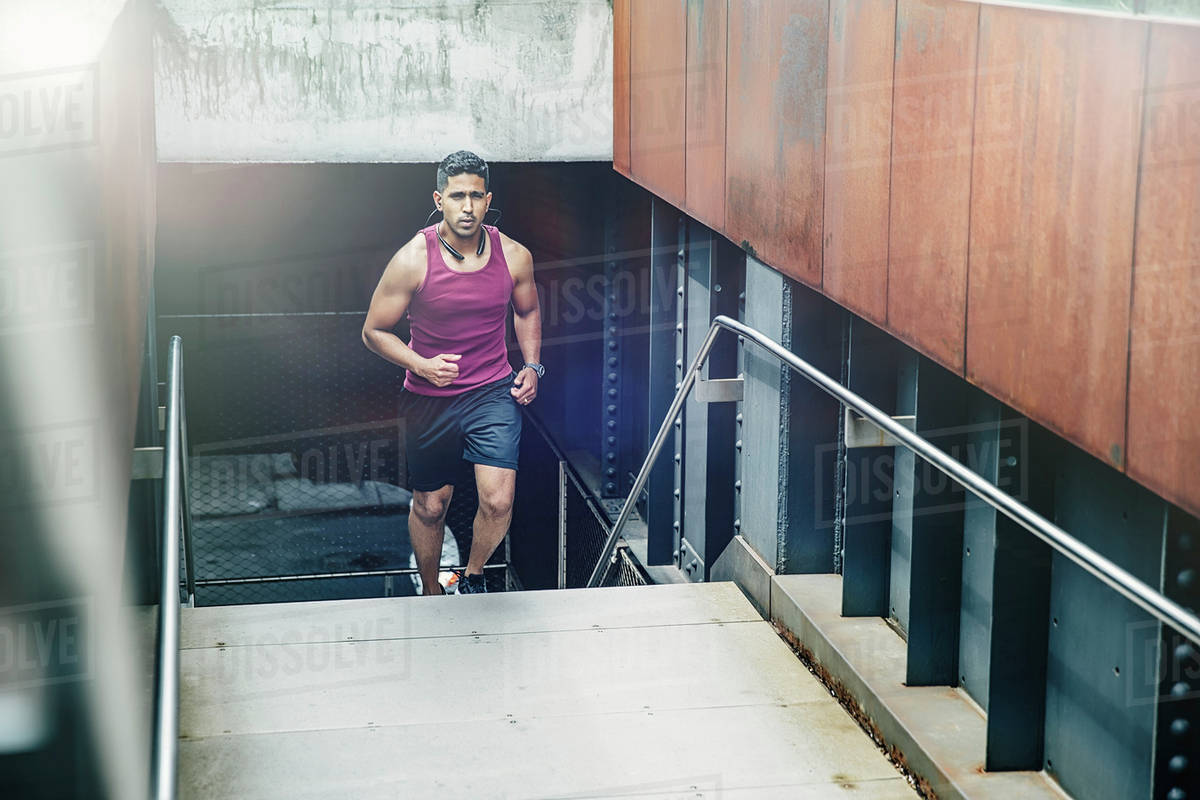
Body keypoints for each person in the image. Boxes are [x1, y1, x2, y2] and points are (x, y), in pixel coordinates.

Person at [361, 151, 543, 595]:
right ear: (439, 199)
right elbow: (373, 331)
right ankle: (431, 590)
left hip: (492, 392)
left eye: (476, 196)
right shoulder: (413, 259)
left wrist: (532, 365)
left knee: (498, 501)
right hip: (429, 398)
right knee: (430, 505)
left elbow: (527, 311)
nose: (467, 206)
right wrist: (420, 365)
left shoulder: (514, 256)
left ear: (488, 201)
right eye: (457, 196)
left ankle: (473, 576)